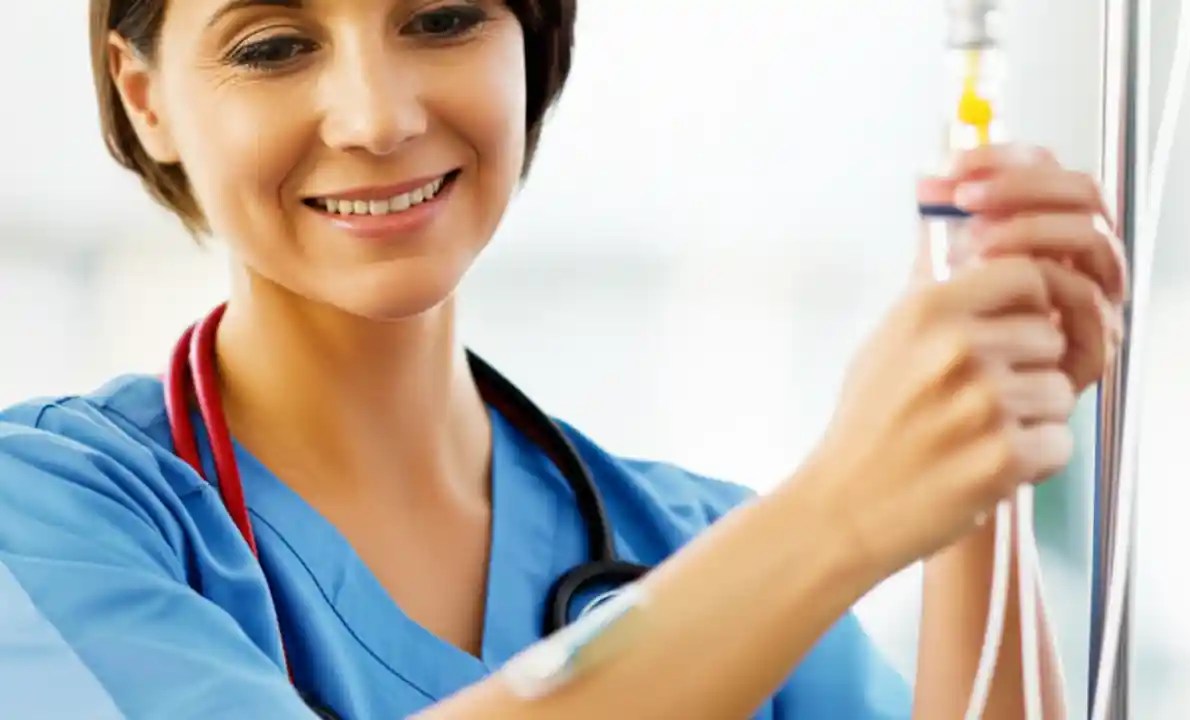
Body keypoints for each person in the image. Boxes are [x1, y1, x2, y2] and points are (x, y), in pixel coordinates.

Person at [0, 1, 1126, 718]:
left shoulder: (698, 548)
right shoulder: (52, 512)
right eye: (275, 46)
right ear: (146, 97)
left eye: (440, 19)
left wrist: (982, 471)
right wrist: (839, 515)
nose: (376, 117)